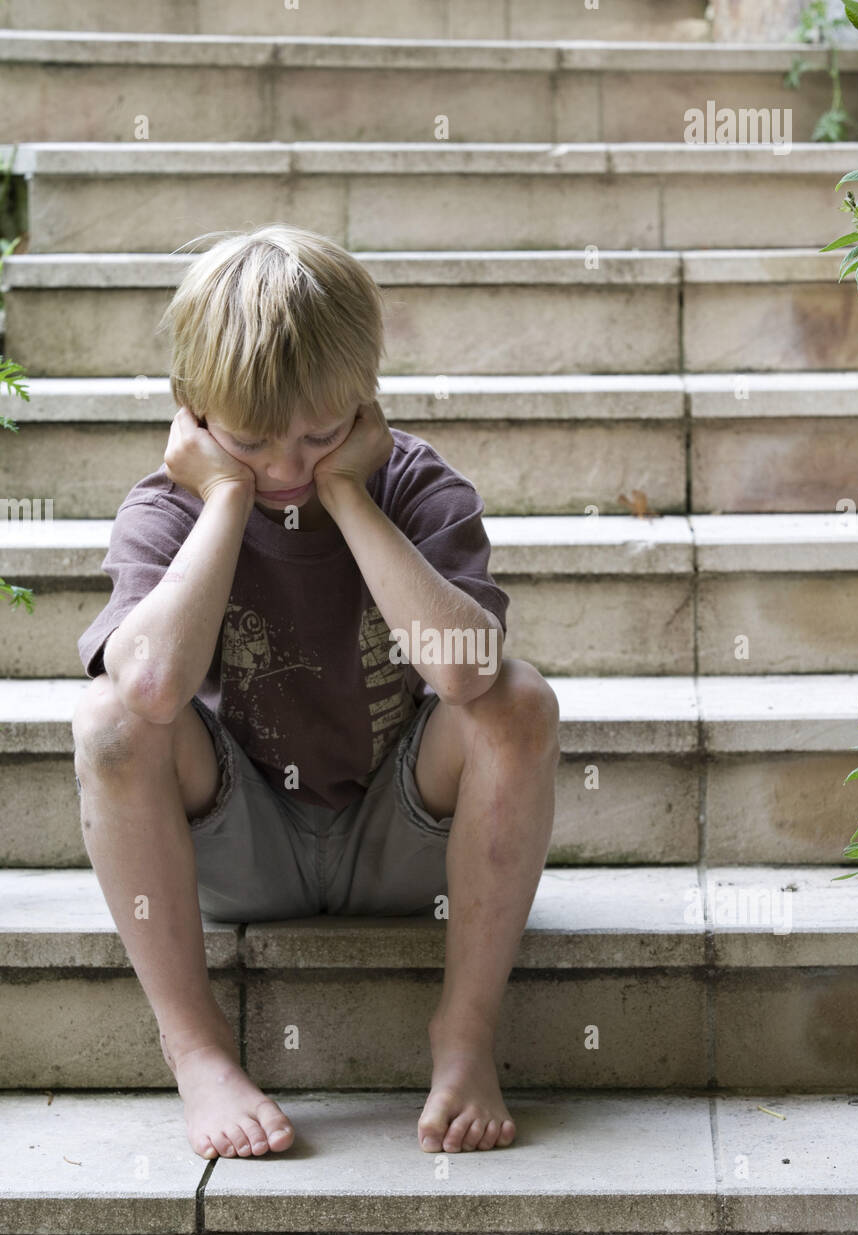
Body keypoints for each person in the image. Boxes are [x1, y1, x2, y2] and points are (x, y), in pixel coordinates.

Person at [72, 225, 561, 1160]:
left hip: (401, 838)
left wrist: (350, 494)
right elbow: (150, 687)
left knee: (517, 701)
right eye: (252, 441)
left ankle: (463, 1043)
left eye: (322, 434)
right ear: (194, 416)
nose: (290, 468)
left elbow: (462, 673)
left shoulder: (415, 485)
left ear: (366, 403)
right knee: (106, 717)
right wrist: (222, 499)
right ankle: (201, 1053)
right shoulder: (166, 509)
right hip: (239, 844)